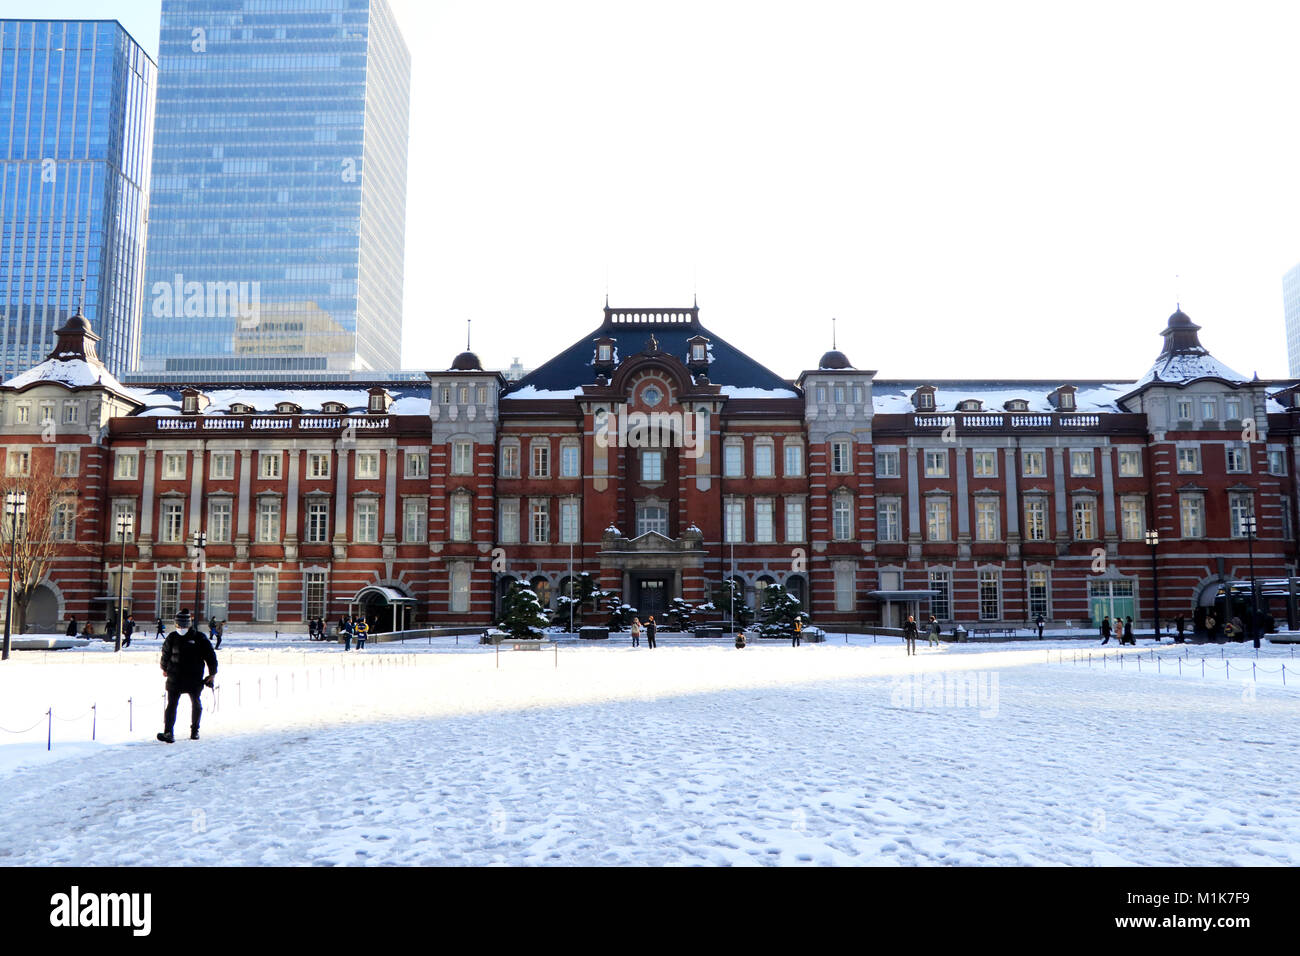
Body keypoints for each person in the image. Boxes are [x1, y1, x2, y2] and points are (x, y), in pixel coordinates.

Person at [157, 609, 218, 743]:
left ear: (189, 624)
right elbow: (165, 655)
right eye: (179, 625)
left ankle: (195, 730)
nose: (181, 628)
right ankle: (168, 732)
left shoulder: (199, 637)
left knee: (195, 702)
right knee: (172, 704)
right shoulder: (172, 637)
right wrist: (164, 668)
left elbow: (210, 656)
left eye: (184, 625)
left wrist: (212, 673)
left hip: (194, 678)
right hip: (175, 678)